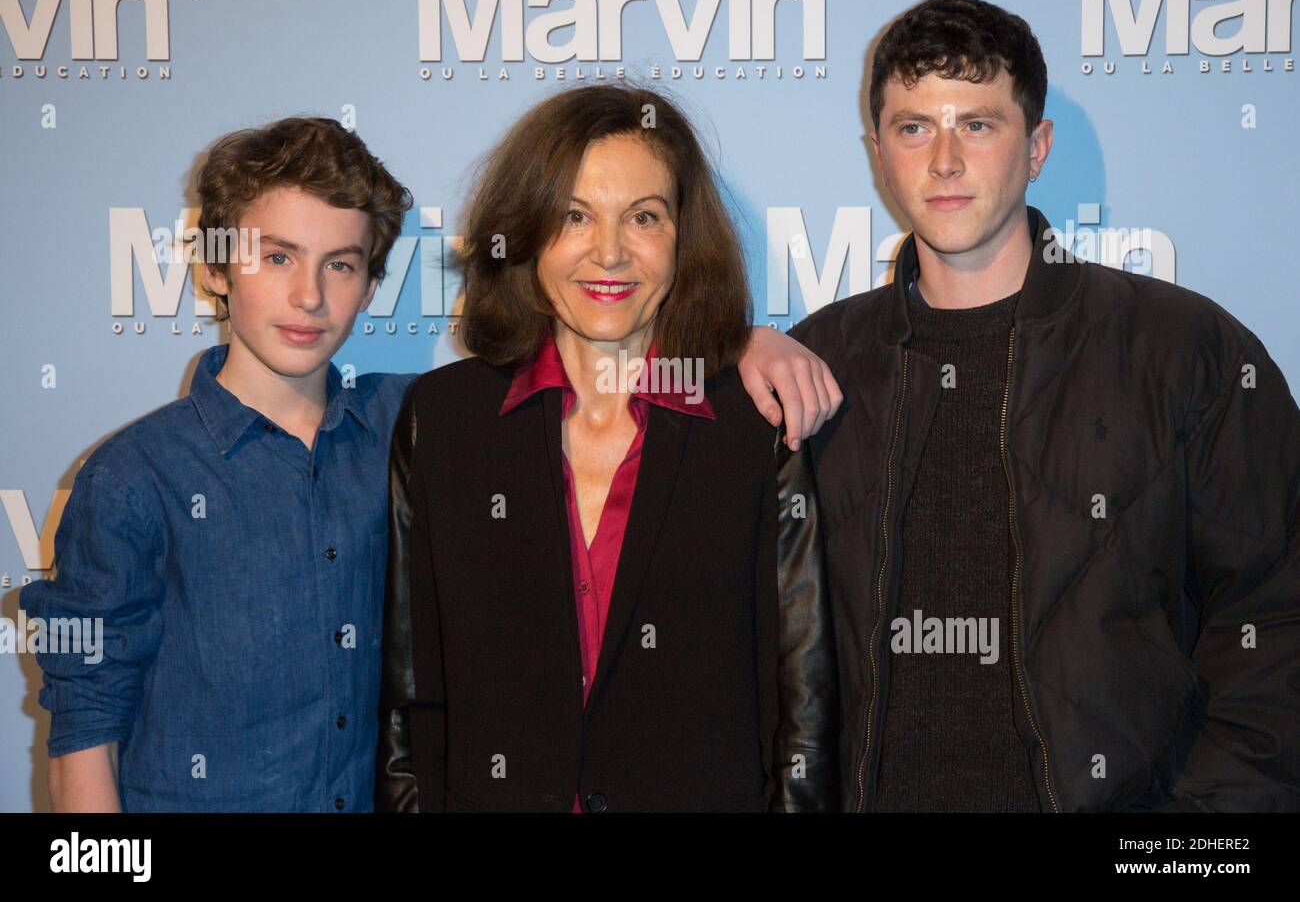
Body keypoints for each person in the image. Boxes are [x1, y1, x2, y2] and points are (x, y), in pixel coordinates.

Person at [21, 116, 840, 812]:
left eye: (340, 264)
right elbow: (85, 719)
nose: (309, 295)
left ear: (372, 282)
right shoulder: (133, 476)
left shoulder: (413, 421)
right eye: (276, 258)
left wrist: (736, 342)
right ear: (211, 268)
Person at [790, 0, 1300, 812]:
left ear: (1037, 147)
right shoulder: (818, 364)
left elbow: (1275, 620)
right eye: (914, 127)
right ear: (878, 152)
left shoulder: (1182, 350)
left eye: (979, 124)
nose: (945, 160)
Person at [375, 83, 839, 812]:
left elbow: (803, 706)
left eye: (644, 217)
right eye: (573, 216)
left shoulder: (753, 424)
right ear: (526, 233)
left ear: (684, 238)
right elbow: (411, 701)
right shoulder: (443, 421)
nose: (610, 253)